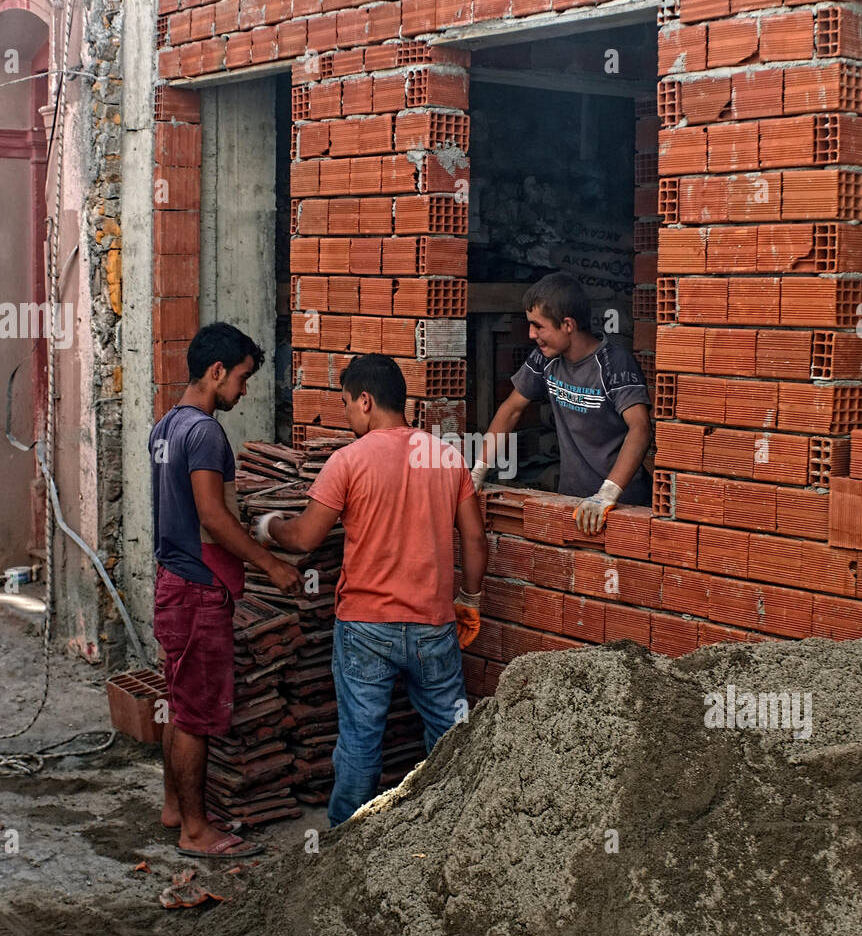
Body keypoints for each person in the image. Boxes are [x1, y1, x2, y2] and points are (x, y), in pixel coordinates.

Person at [254, 353, 487, 827]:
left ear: (366, 400)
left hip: (366, 627)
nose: (347, 414)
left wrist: (269, 526)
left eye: (345, 403)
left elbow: (304, 539)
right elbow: (476, 538)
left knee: (361, 741)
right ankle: (455, 831)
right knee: (451, 735)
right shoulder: (444, 456)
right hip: (433, 625)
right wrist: (470, 599)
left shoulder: (349, 461)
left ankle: (343, 847)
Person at [149, 322, 300, 858]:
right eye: (241, 378)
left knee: (179, 701)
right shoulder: (207, 433)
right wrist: (271, 565)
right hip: (197, 590)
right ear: (216, 372)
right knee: (196, 714)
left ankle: (174, 807)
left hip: (172, 583)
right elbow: (213, 516)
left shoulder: (166, 426)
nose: (244, 390)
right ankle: (196, 831)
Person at [471, 272, 652, 534]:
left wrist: (607, 494)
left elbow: (641, 428)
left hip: (623, 504)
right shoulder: (545, 359)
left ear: (568, 324)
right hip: (571, 499)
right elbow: (511, 410)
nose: (531, 334)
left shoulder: (613, 363)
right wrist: (477, 472)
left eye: (538, 325)